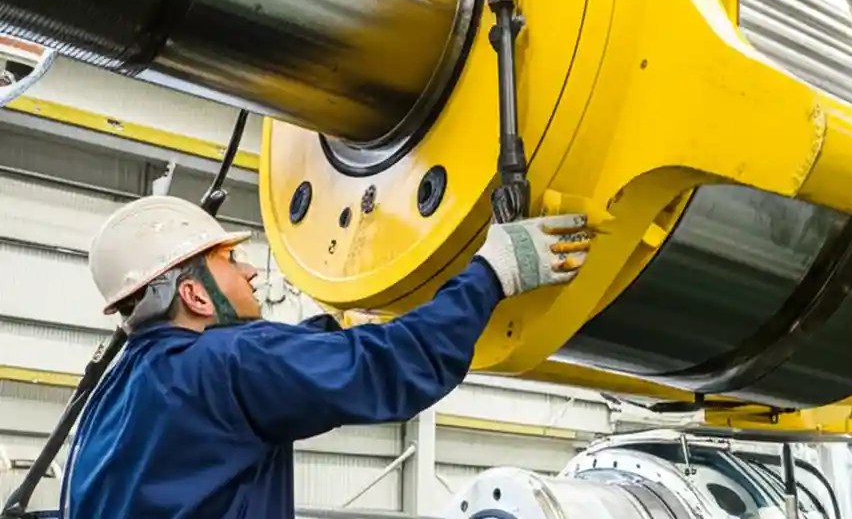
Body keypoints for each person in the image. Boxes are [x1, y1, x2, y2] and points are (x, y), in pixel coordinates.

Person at [61, 195, 592, 519]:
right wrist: (493, 274)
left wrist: (347, 322)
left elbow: (277, 364)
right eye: (229, 259)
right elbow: (394, 367)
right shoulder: (227, 360)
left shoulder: (117, 390)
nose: (249, 272)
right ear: (195, 295)